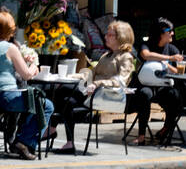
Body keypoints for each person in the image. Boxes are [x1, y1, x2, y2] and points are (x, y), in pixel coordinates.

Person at [0, 10, 53, 162]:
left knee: (31, 102)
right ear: (10, 30)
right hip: (6, 98)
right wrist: (34, 66)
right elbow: (26, 75)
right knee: (45, 105)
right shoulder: (10, 48)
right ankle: (23, 142)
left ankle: (19, 141)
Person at [54, 19, 134, 155]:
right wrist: (73, 76)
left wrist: (98, 83)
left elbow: (121, 81)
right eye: (107, 34)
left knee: (67, 96)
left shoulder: (126, 57)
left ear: (121, 37)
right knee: (64, 93)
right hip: (94, 93)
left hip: (108, 96)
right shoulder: (106, 55)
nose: (106, 37)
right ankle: (65, 139)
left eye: (110, 35)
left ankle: (54, 131)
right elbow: (92, 74)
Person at [135, 16, 186, 146]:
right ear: (161, 32)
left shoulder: (172, 49)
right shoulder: (146, 45)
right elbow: (146, 55)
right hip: (146, 84)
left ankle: (166, 128)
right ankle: (141, 136)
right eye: (170, 31)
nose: (172, 33)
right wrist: (168, 58)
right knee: (144, 94)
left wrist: (167, 65)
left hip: (163, 87)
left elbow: (179, 72)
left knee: (175, 96)